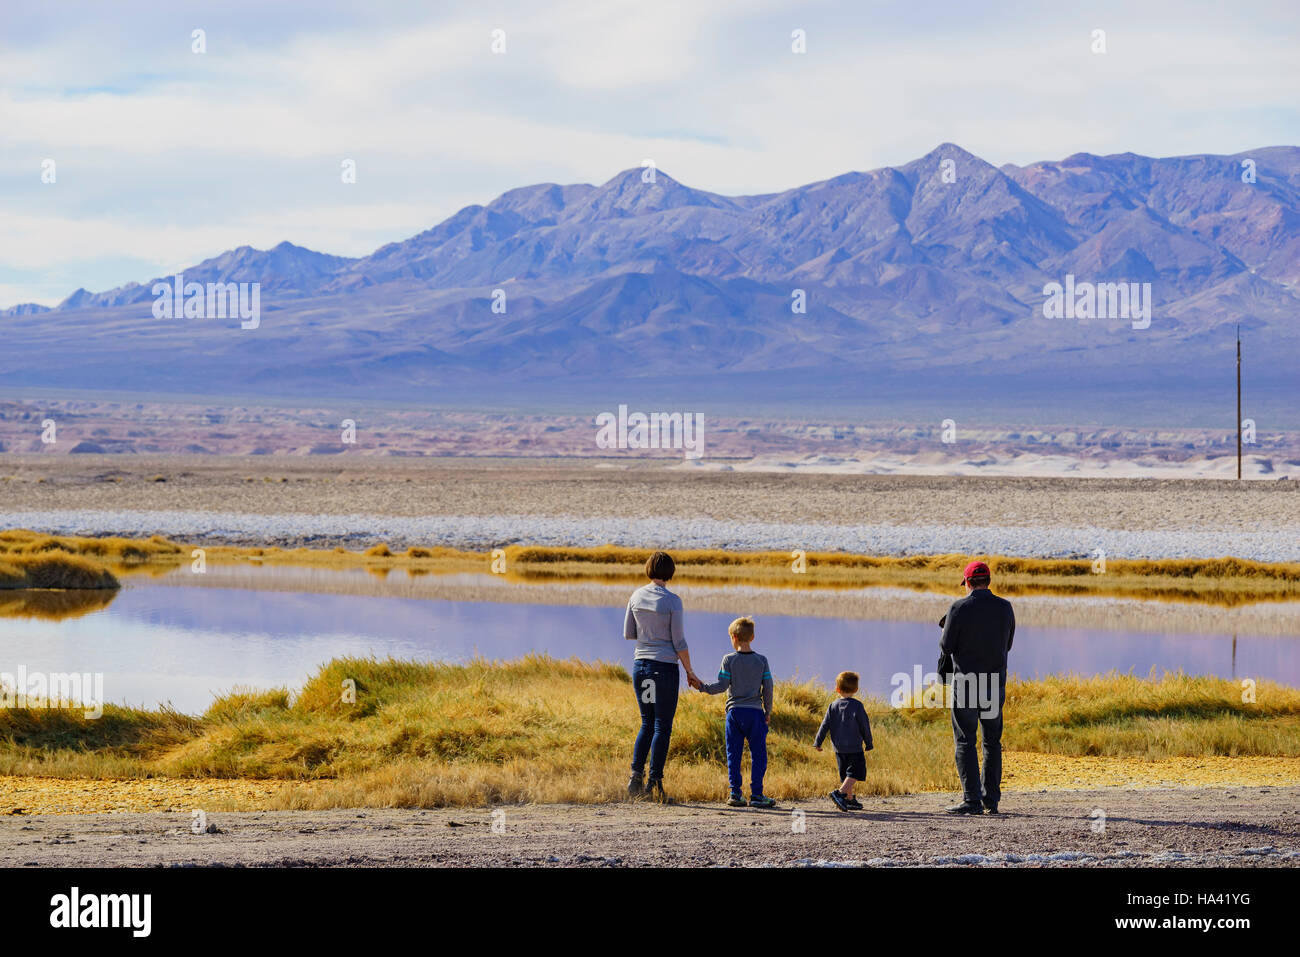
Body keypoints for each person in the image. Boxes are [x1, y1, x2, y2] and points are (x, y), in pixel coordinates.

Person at [939, 560, 1015, 814]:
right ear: (989, 581)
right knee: (992, 741)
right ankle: (990, 800)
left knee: (965, 740)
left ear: (968, 582)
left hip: (966, 683)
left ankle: (971, 801)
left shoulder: (958, 608)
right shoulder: (1005, 608)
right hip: (994, 682)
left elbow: (946, 647)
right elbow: (1008, 645)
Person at [624, 550, 700, 801]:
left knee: (646, 723)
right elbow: (679, 641)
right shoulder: (672, 601)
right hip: (664, 668)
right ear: (670, 572)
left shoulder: (635, 595)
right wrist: (689, 671)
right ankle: (654, 782)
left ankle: (635, 777)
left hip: (641, 666)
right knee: (662, 726)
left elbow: (629, 633)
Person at [696, 616, 777, 808]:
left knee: (734, 753)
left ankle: (735, 793)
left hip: (734, 714)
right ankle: (757, 794)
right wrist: (768, 710)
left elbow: (721, 686)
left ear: (733, 637)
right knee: (759, 754)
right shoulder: (762, 661)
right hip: (755, 714)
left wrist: (701, 686)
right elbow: (768, 688)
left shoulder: (728, 660)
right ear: (753, 637)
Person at [813, 670, 873, 811]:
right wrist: (869, 742)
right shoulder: (857, 706)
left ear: (837, 689)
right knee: (855, 772)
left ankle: (849, 799)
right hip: (854, 747)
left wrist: (818, 742)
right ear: (856, 689)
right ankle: (839, 793)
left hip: (838, 748)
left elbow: (824, 725)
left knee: (846, 774)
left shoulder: (832, 706)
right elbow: (864, 725)